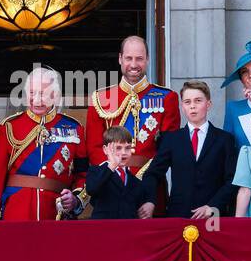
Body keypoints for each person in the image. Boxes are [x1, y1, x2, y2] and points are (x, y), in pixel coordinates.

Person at [85, 36, 180, 211]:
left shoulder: (167, 98)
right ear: (120, 59)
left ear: (148, 59)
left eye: (139, 58)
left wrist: (148, 186)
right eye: (129, 58)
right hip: (111, 189)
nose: (134, 64)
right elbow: (94, 149)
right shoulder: (101, 98)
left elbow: (167, 151)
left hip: (151, 190)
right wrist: (115, 177)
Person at [0, 67, 86, 221]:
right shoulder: (9, 127)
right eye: (32, 93)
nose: (37, 100)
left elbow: (83, 175)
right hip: (16, 214)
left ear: (55, 96)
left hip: (55, 216)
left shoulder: (73, 128)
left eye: (43, 94)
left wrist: (75, 199)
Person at [139, 80, 239, 219]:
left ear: (208, 104)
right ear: (182, 106)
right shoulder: (172, 139)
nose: (192, 106)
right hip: (178, 215)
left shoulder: (225, 139)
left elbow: (232, 180)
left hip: (214, 217)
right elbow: (152, 174)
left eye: (198, 101)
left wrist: (213, 206)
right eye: (187, 102)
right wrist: (150, 201)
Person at [85, 127, 148, 219]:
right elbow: (92, 189)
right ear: (106, 150)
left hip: (127, 230)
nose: (123, 152)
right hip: (104, 229)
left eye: (127, 148)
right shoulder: (96, 171)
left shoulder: (135, 181)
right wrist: (111, 167)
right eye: (118, 148)